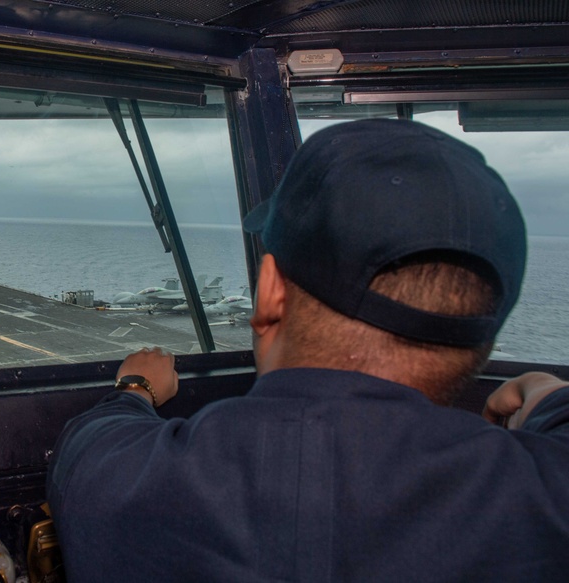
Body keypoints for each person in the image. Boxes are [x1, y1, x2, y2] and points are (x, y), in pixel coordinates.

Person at [46, 119, 569, 582]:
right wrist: (548, 396)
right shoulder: (546, 503)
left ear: (270, 292)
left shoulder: (117, 480)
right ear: (487, 336)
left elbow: (90, 440)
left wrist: (134, 388)